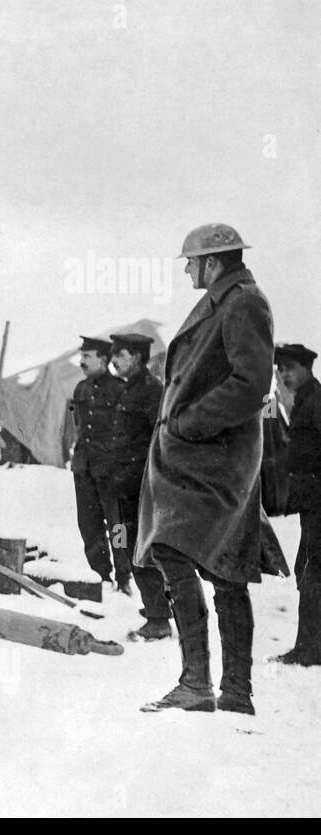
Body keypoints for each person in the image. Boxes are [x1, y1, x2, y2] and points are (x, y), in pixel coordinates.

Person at [135, 224, 274, 714]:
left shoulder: (242, 303)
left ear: (213, 262)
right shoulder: (230, 300)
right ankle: (234, 691)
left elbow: (252, 382)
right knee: (225, 568)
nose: (189, 270)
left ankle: (198, 683)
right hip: (212, 458)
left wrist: (190, 423)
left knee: (174, 550)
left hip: (214, 459)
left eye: (191, 263)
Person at [106, 333, 170, 640]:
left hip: (142, 488)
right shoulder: (129, 389)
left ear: (138, 357)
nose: (114, 360)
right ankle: (155, 608)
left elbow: (159, 441)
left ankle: (159, 620)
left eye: (121, 354)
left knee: (143, 551)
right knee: (131, 547)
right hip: (125, 485)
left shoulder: (151, 391)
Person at [271, 343, 321, 666]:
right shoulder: (304, 400)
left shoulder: (316, 402)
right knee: (309, 571)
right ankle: (308, 647)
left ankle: (310, 650)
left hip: (318, 503)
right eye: (281, 369)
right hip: (311, 504)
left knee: (313, 573)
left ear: (306, 368)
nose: (284, 375)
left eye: (289, 368)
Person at [70, 336, 127, 591]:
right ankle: (101, 577)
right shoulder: (80, 389)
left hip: (111, 470)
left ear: (104, 360)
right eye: (82, 356)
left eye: (88, 356)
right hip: (84, 468)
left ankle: (124, 577)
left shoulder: (119, 389)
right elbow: (79, 426)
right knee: (89, 525)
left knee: (118, 526)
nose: (82, 362)